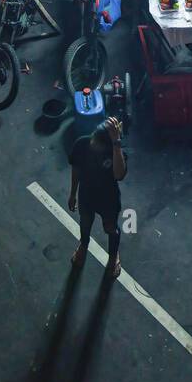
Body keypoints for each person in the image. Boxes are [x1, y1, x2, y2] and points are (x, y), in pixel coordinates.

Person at [68, 117, 127, 278]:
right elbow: (76, 169)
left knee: (111, 229)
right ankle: (83, 245)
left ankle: (113, 256)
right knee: (85, 222)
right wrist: (73, 193)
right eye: (94, 136)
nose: (92, 142)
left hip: (108, 199)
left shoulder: (116, 153)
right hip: (87, 195)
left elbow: (119, 175)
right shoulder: (82, 144)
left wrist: (116, 144)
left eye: (98, 142)